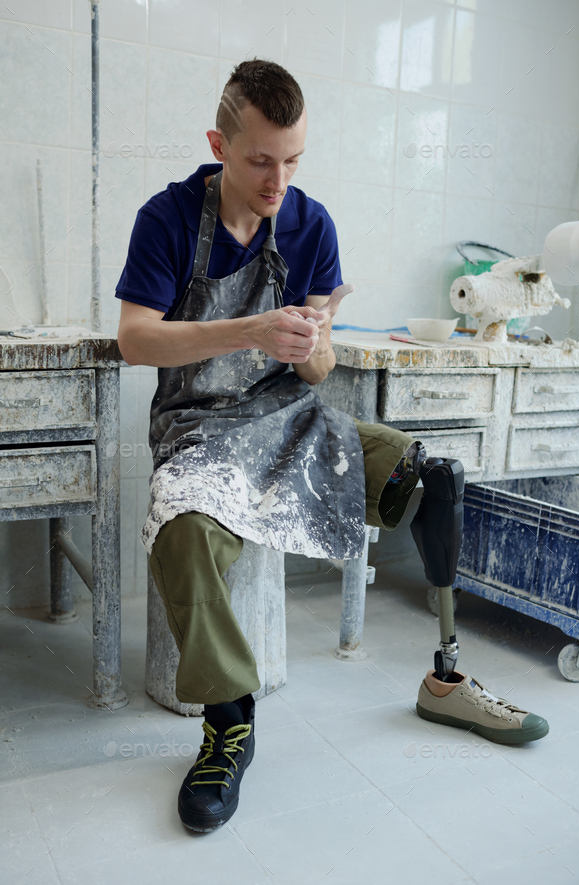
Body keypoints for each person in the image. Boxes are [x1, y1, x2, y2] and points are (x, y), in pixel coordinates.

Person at [116, 59, 547, 835]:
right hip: (199, 431)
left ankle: (444, 680)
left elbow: (319, 369)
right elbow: (135, 338)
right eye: (258, 160)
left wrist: (310, 344)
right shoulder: (171, 218)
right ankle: (228, 726)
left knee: (433, 476)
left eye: (292, 160)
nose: (278, 179)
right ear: (219, 143)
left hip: (290, 422)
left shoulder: (310, 225)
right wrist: (249, 328)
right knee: (181, 538)